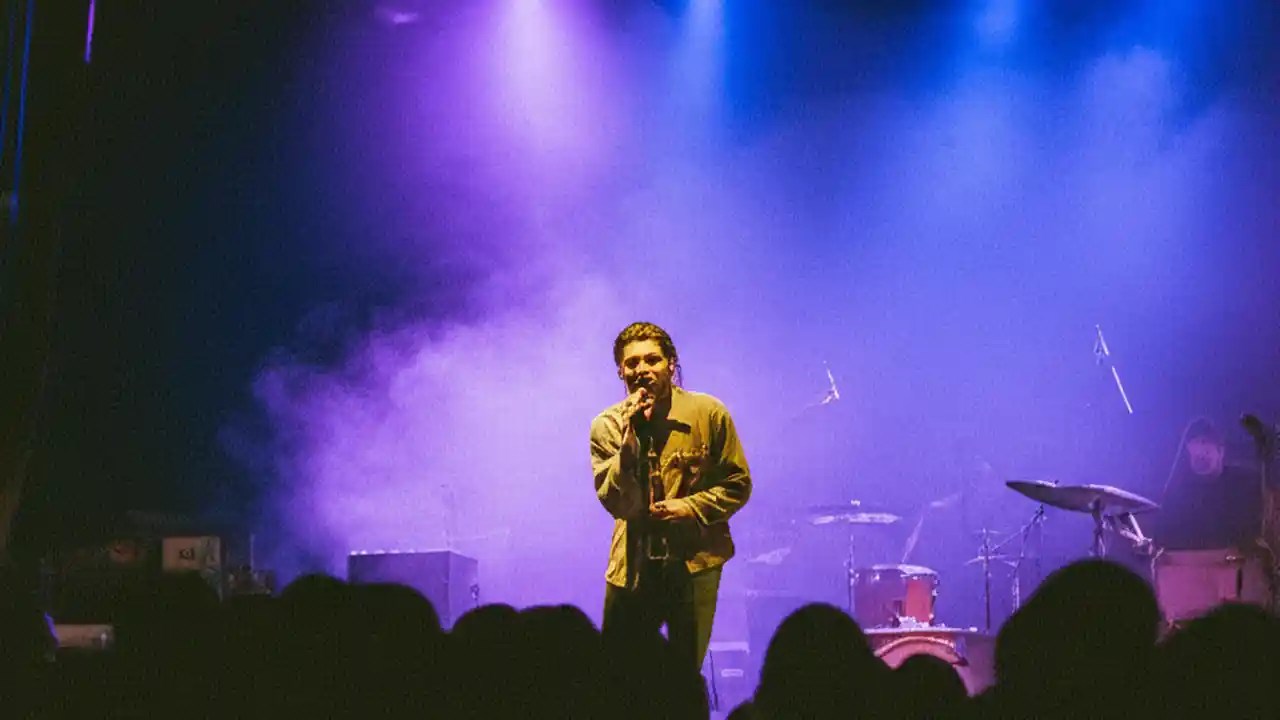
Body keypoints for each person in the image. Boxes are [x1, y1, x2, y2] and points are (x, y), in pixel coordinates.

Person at [590, 321, 751, 672]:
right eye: (632, 363)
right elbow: (615, 502)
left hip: (694, 563)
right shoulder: (607, 426)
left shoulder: (708, 414)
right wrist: (631, 440)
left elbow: (738, 483)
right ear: (620, 371)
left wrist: (690, 507)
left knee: (683, 674)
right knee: (617, 675)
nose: (642, 370)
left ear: (671, 364)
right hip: (632, 567)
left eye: (652, 360)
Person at [1155, 418, 1263, 551]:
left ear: (1221, 451)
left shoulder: (1246, 481)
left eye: (1205, 444)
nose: (1200, 451)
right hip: (1191, 563)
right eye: (1195, 446)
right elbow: (1165, 536)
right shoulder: (1177, 492)